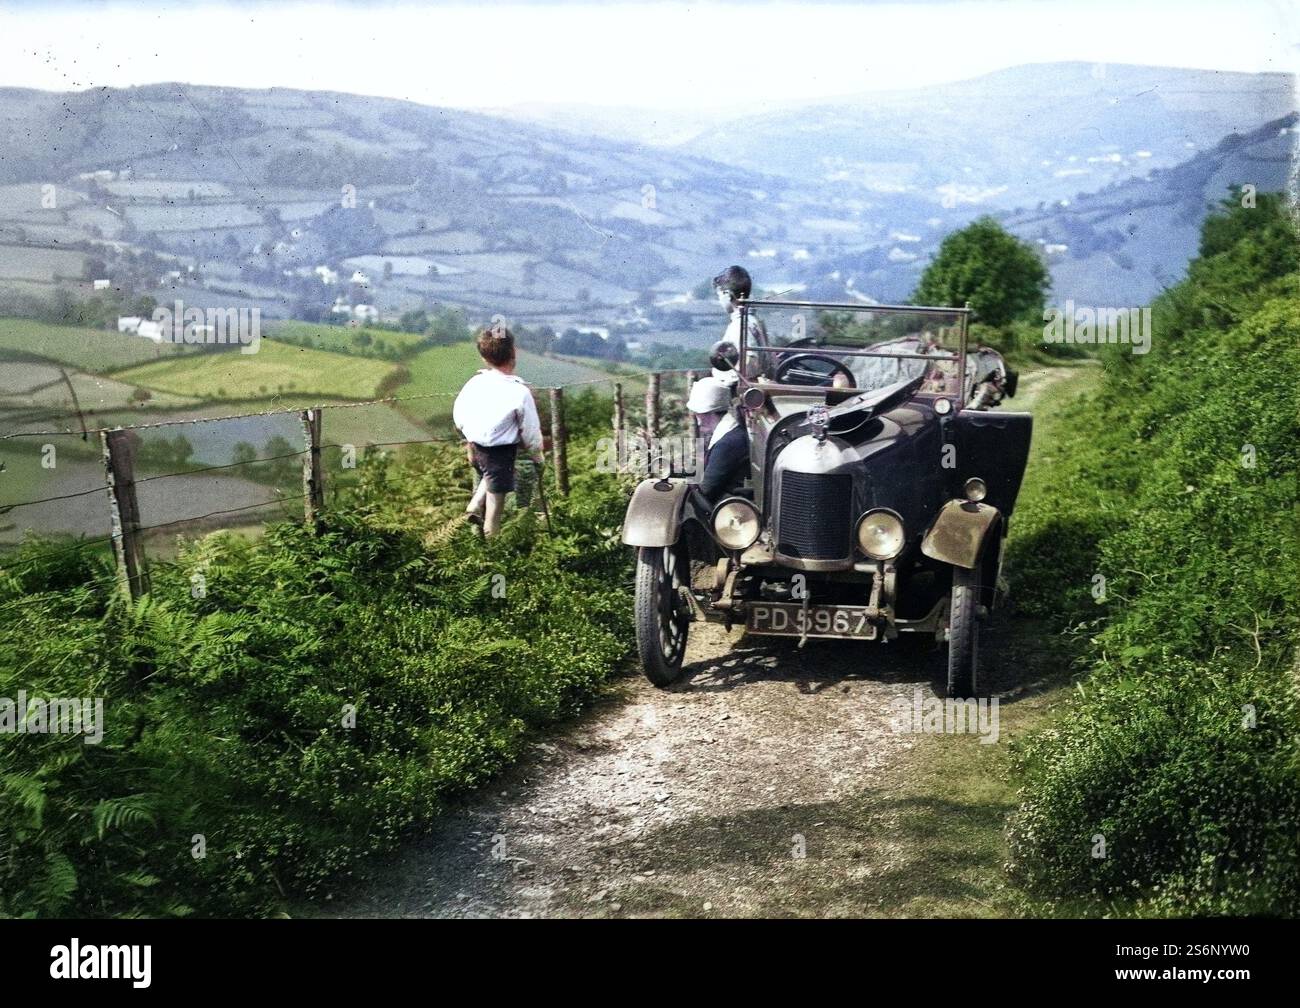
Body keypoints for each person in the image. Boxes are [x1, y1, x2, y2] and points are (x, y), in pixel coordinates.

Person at [452, 325, 544, 536]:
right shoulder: (519, 392)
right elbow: (530, 432)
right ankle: (492, 548)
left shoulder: (475, 383)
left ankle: (475, 505)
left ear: (484, 358)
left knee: (488, 474)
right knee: (495, 508)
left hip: (476, 448)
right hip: (500, 452)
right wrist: (537, 457)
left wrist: (469, 440)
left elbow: (459, 415)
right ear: (514, 352)